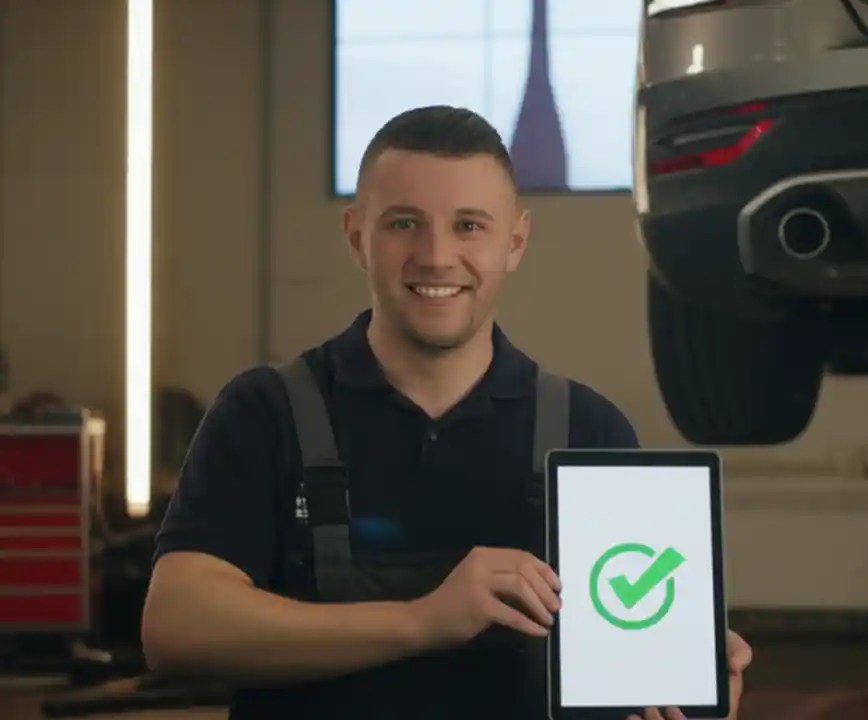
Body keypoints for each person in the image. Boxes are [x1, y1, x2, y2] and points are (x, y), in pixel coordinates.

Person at [140, 106, 752, 719]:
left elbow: (632, 645)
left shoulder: (588, 429)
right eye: (404, 223)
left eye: (468, 226)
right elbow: (176, 626)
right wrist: (423, 621)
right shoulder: (264, 413)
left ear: (514, 242)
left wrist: (682, 681)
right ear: (357, 237)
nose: (435, 256)